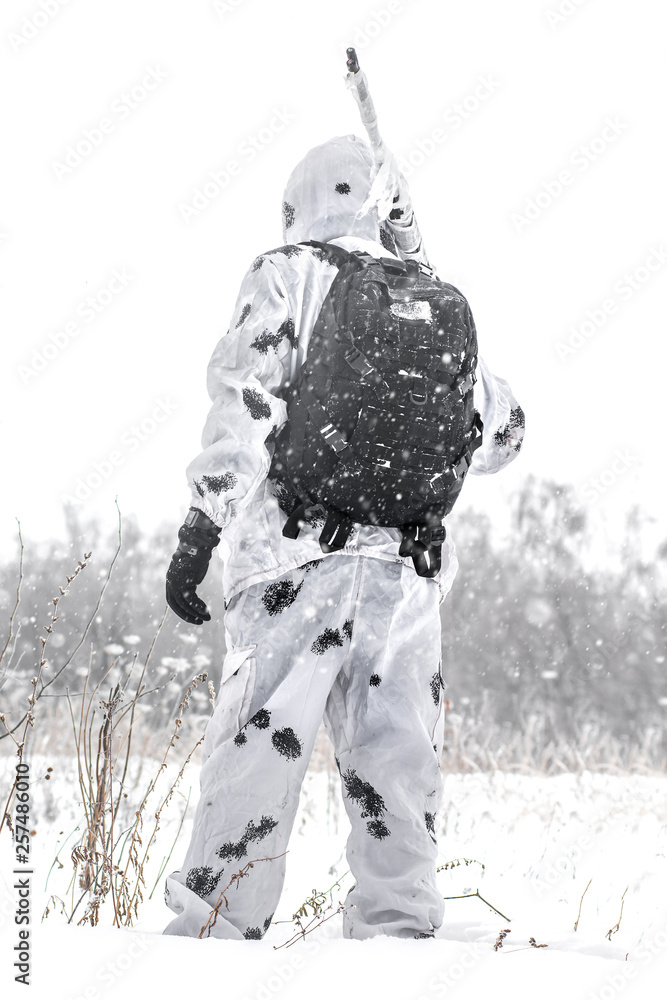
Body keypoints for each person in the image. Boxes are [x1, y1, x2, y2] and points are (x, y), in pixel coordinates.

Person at [162, 133, 524, 941]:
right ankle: (398, 942)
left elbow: (245, 402)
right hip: (406, 579)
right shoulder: (438, 295)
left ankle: (215, 942)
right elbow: (503, 437)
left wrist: (201, 526)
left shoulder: (287, 272)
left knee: (256, 760)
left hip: (295, 565)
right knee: (397, 772)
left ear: (300, 203)